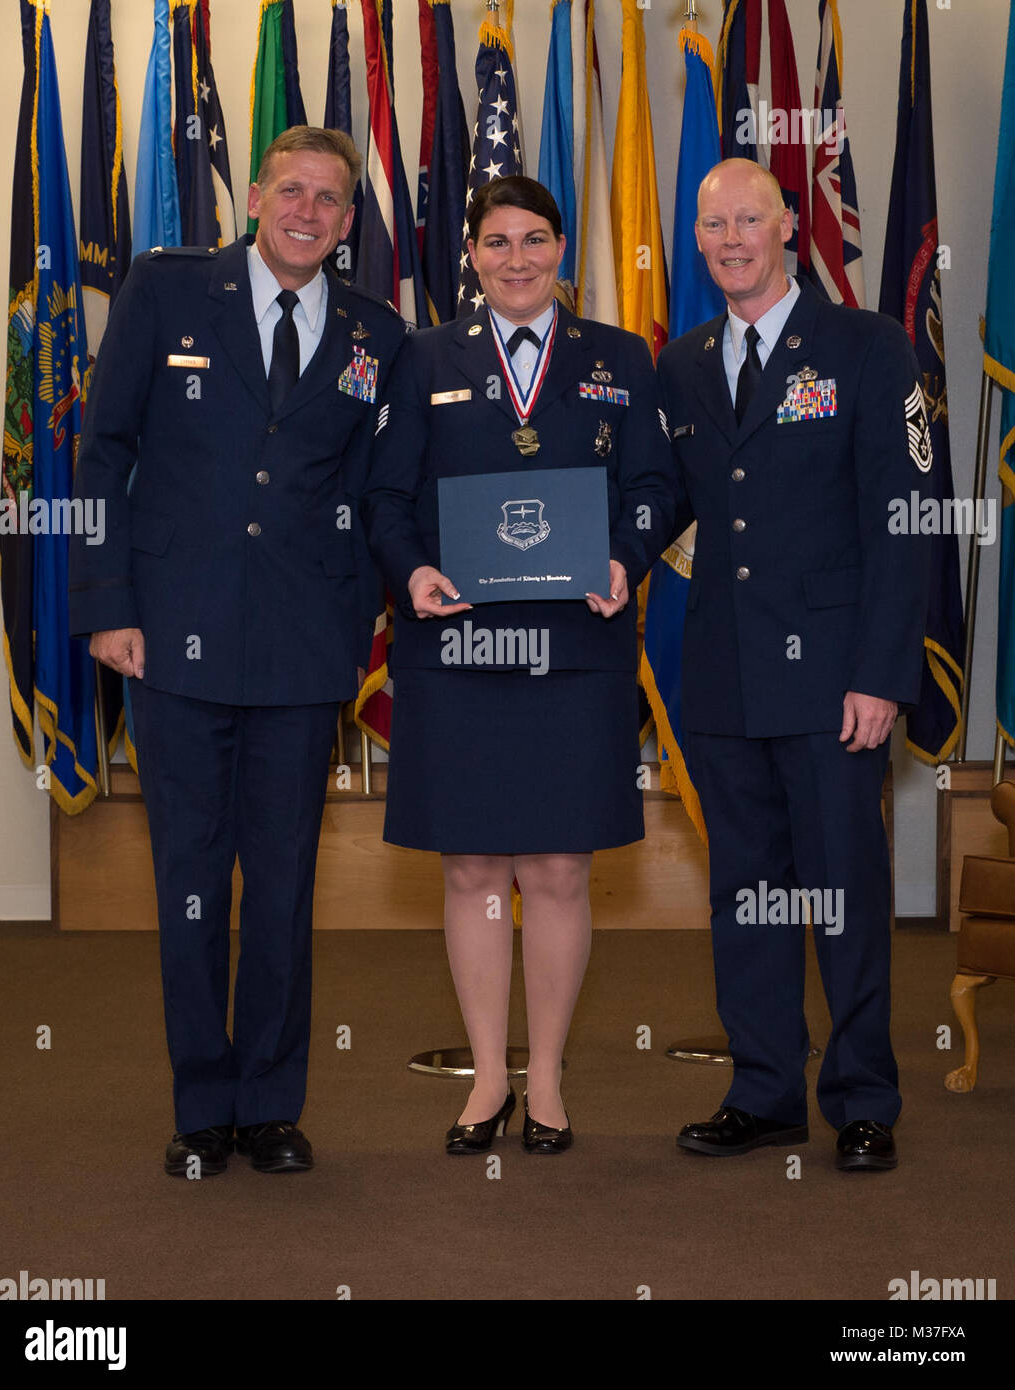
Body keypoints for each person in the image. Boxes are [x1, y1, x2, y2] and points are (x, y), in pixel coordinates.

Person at [69, 127, 406, 1176]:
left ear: (350, 223)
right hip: (171, 637)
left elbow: (375, 492)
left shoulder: (375, 333)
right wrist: (107, 603)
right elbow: (101, 450)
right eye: (291, 189)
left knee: (285, 879)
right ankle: (198, 1103)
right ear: (254, 194)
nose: (306, 211)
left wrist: (357, 619)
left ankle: (268, 1104)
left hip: (304, 652)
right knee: (189, 879)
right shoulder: (167, 295)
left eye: (329, 199)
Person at [361, 176, 674, 1154]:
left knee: (555, 865)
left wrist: (625, 557)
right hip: (454, 644)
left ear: (561, 248)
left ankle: (545, 1077)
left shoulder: (619, 359)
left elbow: (657, 483)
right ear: (470, 253)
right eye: (495, 242)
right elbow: (383, 494)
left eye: (533, 239)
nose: (515, 258)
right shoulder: (419, 359)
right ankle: (484, 1076)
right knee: (471, 868)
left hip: (575, 649)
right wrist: (410, 573)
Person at [656, 158, 930, 1171]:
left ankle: (861, 1096)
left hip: (831, 681)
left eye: (748, 219)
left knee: (840, 892)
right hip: (721, 676)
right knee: (746, 892)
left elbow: (899, 522)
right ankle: (763, 1088)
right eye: (711, 223)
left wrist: (880, 671)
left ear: (787, 229)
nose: (729, 238)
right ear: (695, 239)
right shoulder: (679, 364)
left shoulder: (866, 348)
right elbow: (657, 500)